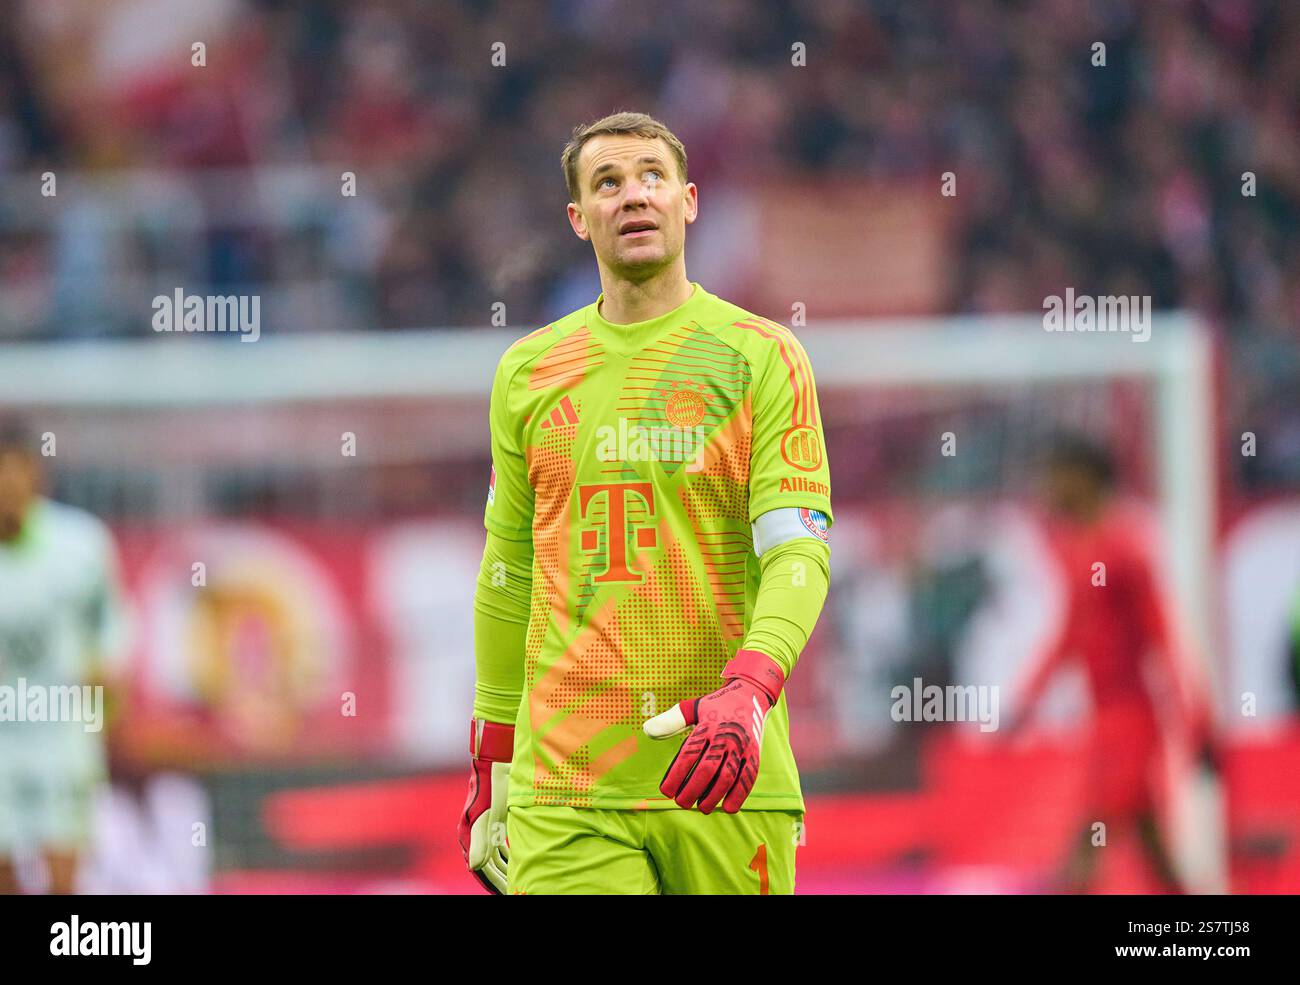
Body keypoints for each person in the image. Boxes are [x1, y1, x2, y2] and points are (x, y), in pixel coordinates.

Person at [456, 111, 833, 894]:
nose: (634, 195)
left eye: (652, 177)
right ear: (578, 218)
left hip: (724, 768)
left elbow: (797, 550)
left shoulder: (761, 357)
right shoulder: (527, 373)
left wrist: (752, 687)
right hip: (567, 784)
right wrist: (493, 753)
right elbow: (509, 570)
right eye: (608, 183)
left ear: (688, 202)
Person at [1004, 434, 1214, 893]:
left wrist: (1197, 721)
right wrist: (1026, 701)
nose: (1046, 488)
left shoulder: (1126, 547)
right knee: (1155, 854)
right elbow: (1070, 637)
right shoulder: (1077, 547)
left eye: (1055, 476)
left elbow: (1164, 638)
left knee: (1087, 842)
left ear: (1084, 478)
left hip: (1132, 722)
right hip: (1102, 718)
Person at [0, 419, 130, 894]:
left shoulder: (80, 545)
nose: (7, 489)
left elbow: (109, 634)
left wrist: (106, 712)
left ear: (35, 476)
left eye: (15, 474)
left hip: (61, 729)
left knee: (63, 875)